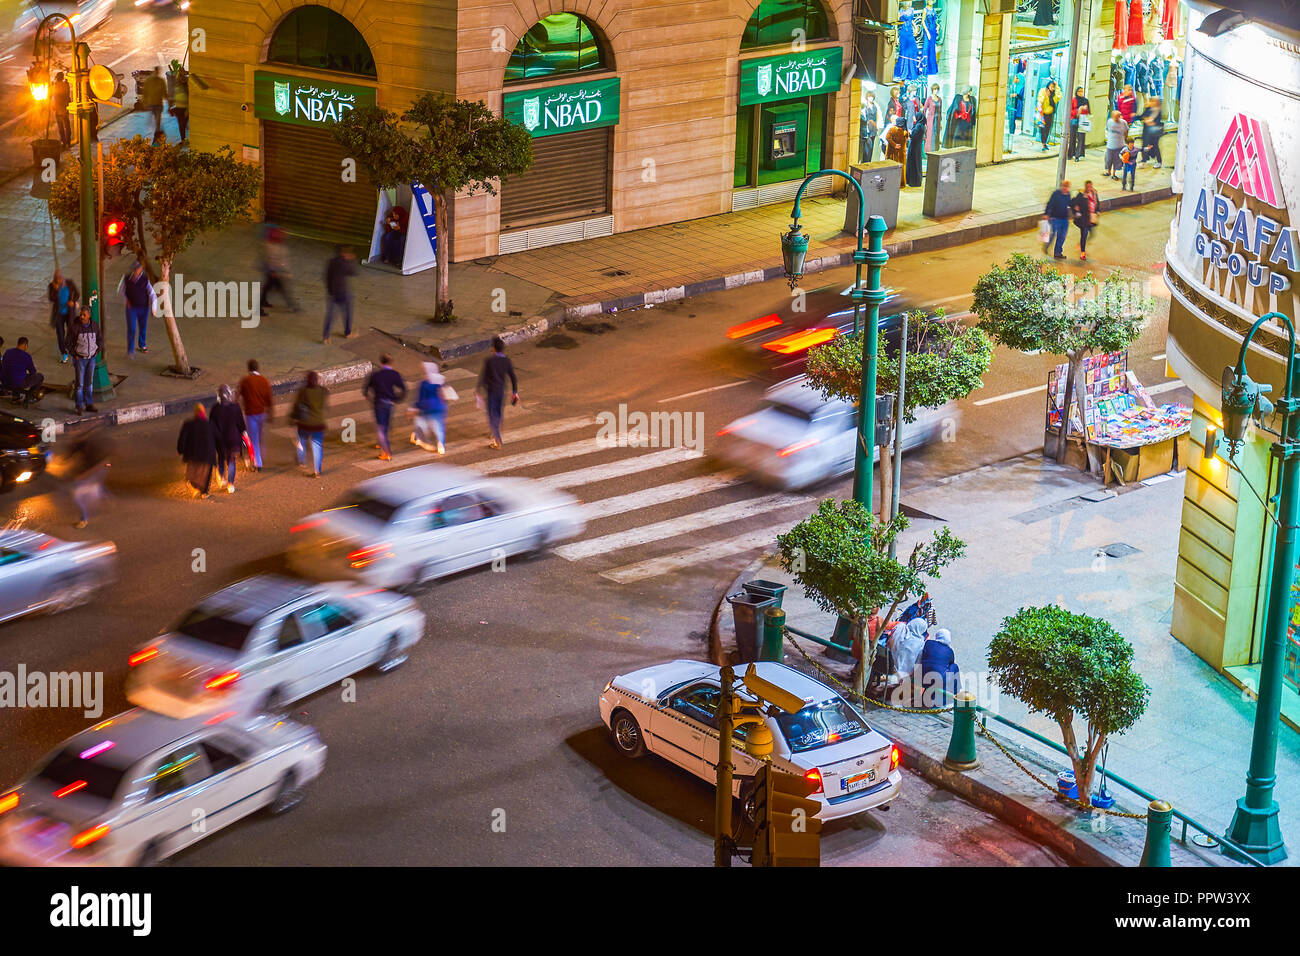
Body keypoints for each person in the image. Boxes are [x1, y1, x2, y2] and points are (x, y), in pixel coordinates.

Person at [59, 423, 112, 528]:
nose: (70, 434)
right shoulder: (77, 442)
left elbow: (101, 463)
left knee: (78, 496)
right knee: (94, 487)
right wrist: (64, 460)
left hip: (102, 467)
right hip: (89, 470)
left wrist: (83, 476)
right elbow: (72, 452)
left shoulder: (91, 446)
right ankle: (105, 496)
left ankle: (83, 520)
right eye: (68, 432)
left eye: (72, 431)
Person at [477, 336, 518, 450]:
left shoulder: (489, 361)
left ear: (493, 348)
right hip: (501, 391)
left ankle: (497, 439)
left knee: (491, 415)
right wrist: (515, 392)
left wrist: (479, 390)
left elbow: (483, 377)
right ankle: (494, 432)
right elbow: (513, 377)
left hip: (491, 391)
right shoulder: (507, 361)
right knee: (498, 413)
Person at [363, 354, 407, 461]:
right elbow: (404, 389)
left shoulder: (375, 375)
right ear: (391, 362)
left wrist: (370, 398)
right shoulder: (394, 374)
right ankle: (382, 444)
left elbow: (366, 390)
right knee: (386, 425)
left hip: (379, 403)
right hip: (390, 403)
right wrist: (396, 399)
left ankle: (386, 452)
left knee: (381, 427)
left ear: (381, 362)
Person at [209, 385, 248, 493]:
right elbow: (241, 423)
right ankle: (231, 484)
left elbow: (211, 425)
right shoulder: (235, 407)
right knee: (231, 461)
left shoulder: (215, 409)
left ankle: (221, 478)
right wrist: (244, 432)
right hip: (233, 439)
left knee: (221, 458)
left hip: (220, 440)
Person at [237, 359, 273, 471]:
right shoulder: (264, 381)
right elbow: (269, 399)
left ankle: (258, 463)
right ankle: (262, 454)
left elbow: (238, 396)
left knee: (254, 439)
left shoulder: (245, 381)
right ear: (257, 368)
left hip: (250, 414)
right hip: (262, 413)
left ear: (248, 369)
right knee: (260, 435)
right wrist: (271, 412)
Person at [290, 370, 328, 477]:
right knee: (317, 446)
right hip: (318, 424)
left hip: (305, 424)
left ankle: (302, 461)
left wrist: (292, 419)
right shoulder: (323, 391)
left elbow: (297, 406)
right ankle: (317, 471)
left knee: (301, 441)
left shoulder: (303, 391)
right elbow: (325, 393)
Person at [177, 403, 217, 498]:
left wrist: (180, 450)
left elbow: (182, 438)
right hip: (207, 454)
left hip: (193, 454)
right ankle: (204, 492)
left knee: (192, 473)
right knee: (206, 472)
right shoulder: (210, 424)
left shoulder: (188, 424)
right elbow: (218, 437)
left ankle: (195, 488)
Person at [69, 306, 102, 414]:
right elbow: (68, 343)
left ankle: (89, 404)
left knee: (89, 383)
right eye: (81, 314)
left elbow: (99, 339)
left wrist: (97, 350)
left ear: (89, 316)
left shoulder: (95, 326)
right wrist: (74, 355)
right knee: (79, 384)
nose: (81, 317)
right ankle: (79, 406)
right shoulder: (75, 328)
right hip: (80, 360)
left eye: (84, 315)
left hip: (91, 359)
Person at [411, 361, 449, 454]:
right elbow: (445, 393)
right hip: (440, 407)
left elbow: (420, 398)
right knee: (439, 427)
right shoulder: (440, 381)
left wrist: (415, 408)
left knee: (420, 422)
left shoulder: (424, 383)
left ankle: (420, 438)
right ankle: (441, 445)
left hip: (427, 407)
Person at [259, 225, 298, 313]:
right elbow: (272, 259)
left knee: (268, 288)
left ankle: (262, 302)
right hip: (275, 272)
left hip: (274, 271)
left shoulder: (275, 245)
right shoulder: (272, 246)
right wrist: (278, 271)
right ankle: (292, 305)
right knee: (282, 289)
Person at [918, 627, 961, 706]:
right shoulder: (949, 651)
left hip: (922, 678)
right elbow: (951, 663)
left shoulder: (928, 643)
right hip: (937, 680)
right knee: (954, 667)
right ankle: (954, 692)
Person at [118, 259, 153, 356]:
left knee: (143, 327)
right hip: (131, 308)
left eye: (138, 268)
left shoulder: (145, 279)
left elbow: (152, 293)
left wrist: (154, 308)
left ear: (141, 269)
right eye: (135, 269)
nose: (136, 270)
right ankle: (130, 349)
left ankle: (142, 344)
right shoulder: (126, 278)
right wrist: (126, 300)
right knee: (132, 328)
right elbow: (121, 290)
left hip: (143, 307)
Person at [323, 245, 357, 343]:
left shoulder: (331, 262)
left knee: (330, 315)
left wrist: (329, 290)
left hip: (332, 292)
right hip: (343, 292)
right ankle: (347, 333)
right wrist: (351, 261)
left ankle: (326, 337)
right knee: (347, 313)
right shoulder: (344, 263)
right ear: (344, 253)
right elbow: (353, 272)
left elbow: (327, 276)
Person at [1, 338, 44, 405]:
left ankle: (16, 397)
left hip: (4, 382)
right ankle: (30, 397)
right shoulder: (26, 356)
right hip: (17, 383)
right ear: (25, 345)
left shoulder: (8, 352)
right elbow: (33, 372)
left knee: (14, 374)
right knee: (40, 376)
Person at [47, 270, 77, 363]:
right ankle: (64, 352)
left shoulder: (69, 283)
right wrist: (56, 290)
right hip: (59, 314)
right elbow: (51, 298)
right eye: (57, 277)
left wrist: (73, 301)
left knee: (71, 331)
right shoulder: (52, 286)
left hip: (69, 313)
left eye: (60, 277)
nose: (59, 279)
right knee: (60, 333)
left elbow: (77, 294)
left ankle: (72, 349)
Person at [1071, 180, 1100, 260]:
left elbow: (1097, 203)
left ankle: (1081, 245)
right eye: (1087, 187)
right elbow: (1074, 203)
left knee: (1092, 234)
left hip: (1092, 218)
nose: (1089, 188)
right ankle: (1082, 253)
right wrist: (1077, 212)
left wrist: (1097, 211)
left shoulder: (1094, 193)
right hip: (1084, 219)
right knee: (1084, 234)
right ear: (1085, 187)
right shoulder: (1081, 195)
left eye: (1090, 186)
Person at [1043, 179, 1071, 259]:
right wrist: (1046, 214)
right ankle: (1046, 245)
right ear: (1061, 186)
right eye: (1064, 186)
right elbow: (1049, 204)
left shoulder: (1068, 194)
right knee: (1052, 235)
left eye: (1067, 186)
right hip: (1055, 218)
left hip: (1064, 219)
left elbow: (1069, 203)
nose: (1065, 188)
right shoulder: (1056, 194)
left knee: (1062, 237)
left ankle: (1058, 253)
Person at [141, 66, 167, 142]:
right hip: (151, 103)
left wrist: (169, 101)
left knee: (157, 119)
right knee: (155, 119)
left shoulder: (161, 81)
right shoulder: (149, 81)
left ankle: (157, 133)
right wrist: (144, 102)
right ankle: (158, 132)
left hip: (158, 103)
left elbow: (164, 92)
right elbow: (145, 92)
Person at [1139, 96, 1164, 169]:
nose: (1151, 103)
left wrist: (1148, 121)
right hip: (1146, 133)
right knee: (1145, 146)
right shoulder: (1148, 108)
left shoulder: (1158, 111)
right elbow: (1143, 117)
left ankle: (1159, 162)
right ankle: (1144, 160)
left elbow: (1154, 122)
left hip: (1154, 134)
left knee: (1155, 147)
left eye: (1153, 101)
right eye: (1151, 101)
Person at [1037, 80, 1061, 150]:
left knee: (1047, 129)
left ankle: (1044, 144)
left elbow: (1059, 96)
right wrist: (1045, 97)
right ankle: (1043, 143)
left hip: (1050, 114)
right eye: (1051, 86)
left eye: (1053, 87)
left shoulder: (1054, 94)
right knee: (1042, 129)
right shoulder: (1043, 91)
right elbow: (1040, 100)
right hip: (1042, 113)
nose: (1052, 88)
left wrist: (1057, 86)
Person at [1068, 86, 1090, 162]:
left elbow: (1088, 113)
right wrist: (1078, 110)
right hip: (1074, 121)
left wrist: (1083, 110)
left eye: (1082, 91)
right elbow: (1070, 111)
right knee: (1072, 138)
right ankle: (1071, 153)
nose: (1080, 93)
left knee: (1081, 138)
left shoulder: (1085, 101)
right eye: (1079, 91)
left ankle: (1078, 155)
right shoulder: (1074, 100)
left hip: (1083, 121)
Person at [1103, 110, 1127, 180]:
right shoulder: (1109, 122)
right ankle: (1108, 171)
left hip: (1119, 145)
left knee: (1117, 161)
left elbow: (1126, 132)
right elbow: (1107, 130)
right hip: (1110, 145)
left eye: (1118, 117)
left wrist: (1124, 141)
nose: (1116, 118)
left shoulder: (1123, 123)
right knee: (1108, 159)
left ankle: (1114, 174)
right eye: (1115, 117)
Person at [52, 72, 72, 149]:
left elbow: (54, 97)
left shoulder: (56, 86)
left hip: (58, 109)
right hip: (65, 108)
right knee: (67, 125)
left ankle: (63, 142)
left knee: (61, 127)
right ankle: (68, 141)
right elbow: (67, 95)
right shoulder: (65, 85)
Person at [860, 91, 882, 162]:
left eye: (872, 97)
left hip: (873, 129)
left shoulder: (875, 105)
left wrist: (877, 127)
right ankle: (865, 162)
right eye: (869, 96)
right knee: (867, 149)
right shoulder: (865, 106)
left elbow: (878, 116)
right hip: (867, 130)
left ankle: (869, 162)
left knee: (871, 148)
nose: (871, 98)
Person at [170, 71, 189, 141]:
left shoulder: (186, 88)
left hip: (184, 109)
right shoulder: (177, 86)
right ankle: (183, 139)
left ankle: (183, 139)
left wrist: (187, 110)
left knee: (182, 125)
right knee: (181, 126)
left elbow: (189, 99)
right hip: (179, 108)